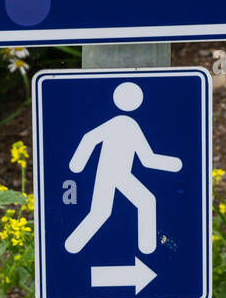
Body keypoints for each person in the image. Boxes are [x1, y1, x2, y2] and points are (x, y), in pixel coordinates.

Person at [64, 81, 181, 255]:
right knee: (103, 212)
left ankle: (147, 249)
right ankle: (72, 246)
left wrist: (174, 165)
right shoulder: (121, 123)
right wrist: (76, 165)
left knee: (141, 202)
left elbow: (146, 159)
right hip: (109, 174)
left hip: (121, 175)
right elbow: (90, 138)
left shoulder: (130, 125)